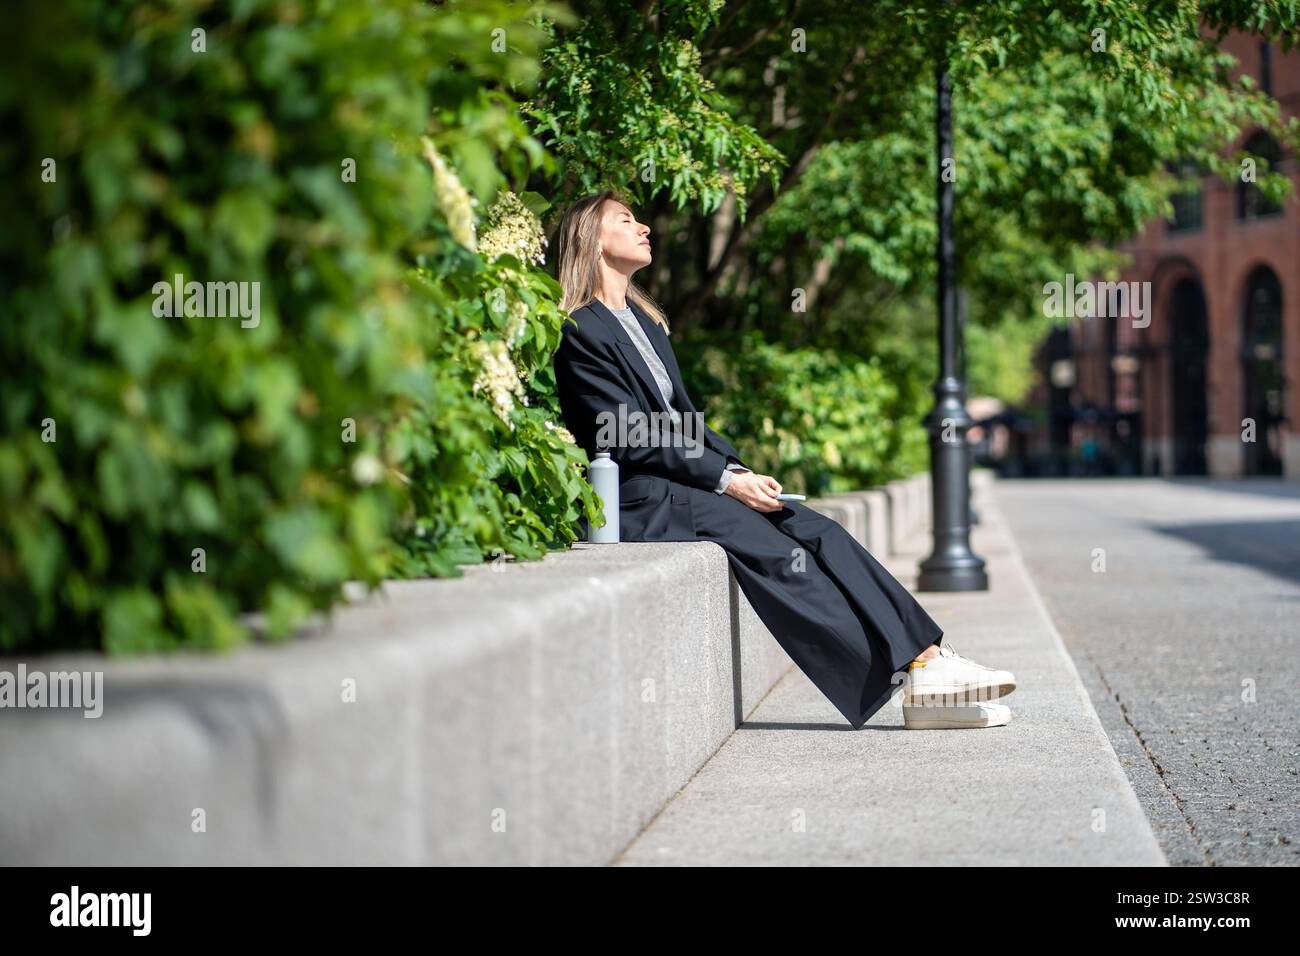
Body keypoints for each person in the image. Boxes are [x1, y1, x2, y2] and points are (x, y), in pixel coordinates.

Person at [550, 190, 1016, 730]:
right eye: (626, 221)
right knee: (777, 554)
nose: (645, 228)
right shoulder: (580, 327)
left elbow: (684, 423)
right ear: (592, 239)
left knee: (818, 529)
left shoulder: (646, 323)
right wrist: (725, 481)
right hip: (639, 497)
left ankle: (929, 669)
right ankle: (919, 672)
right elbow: (626, 432)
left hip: (683, 485)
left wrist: (740, 472)